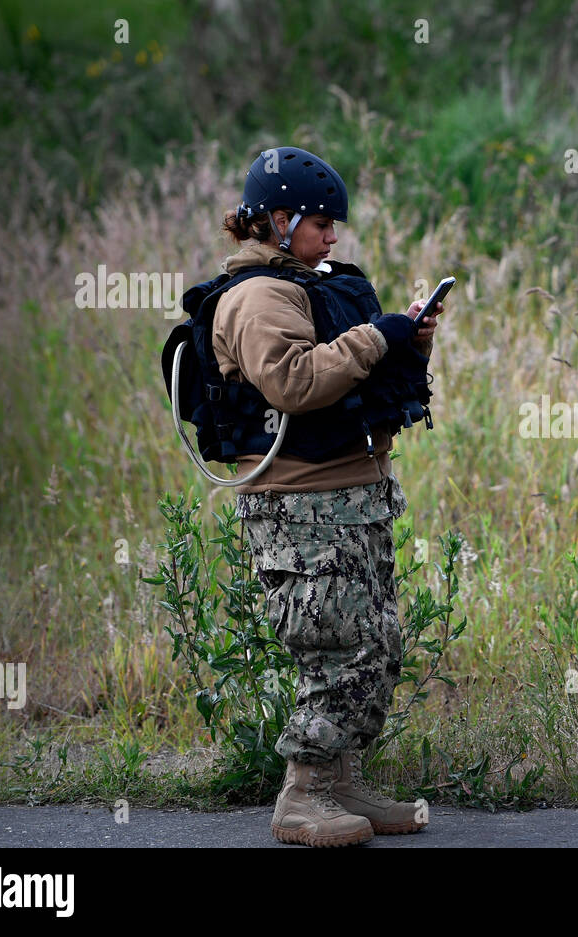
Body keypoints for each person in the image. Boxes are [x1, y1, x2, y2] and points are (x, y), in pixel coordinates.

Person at [211, 146, 444, 847]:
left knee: (376, 642)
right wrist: (376, 336)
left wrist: (410, 342)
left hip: (354, 493)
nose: (333, 236)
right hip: (300, 505)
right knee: (336, 648)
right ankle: (304, 793)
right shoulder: (257, 296)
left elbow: (354, 384)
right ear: (279, 221)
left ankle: (341, 781)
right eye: (320, 223)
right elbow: (294, 384)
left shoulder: (310, 284)